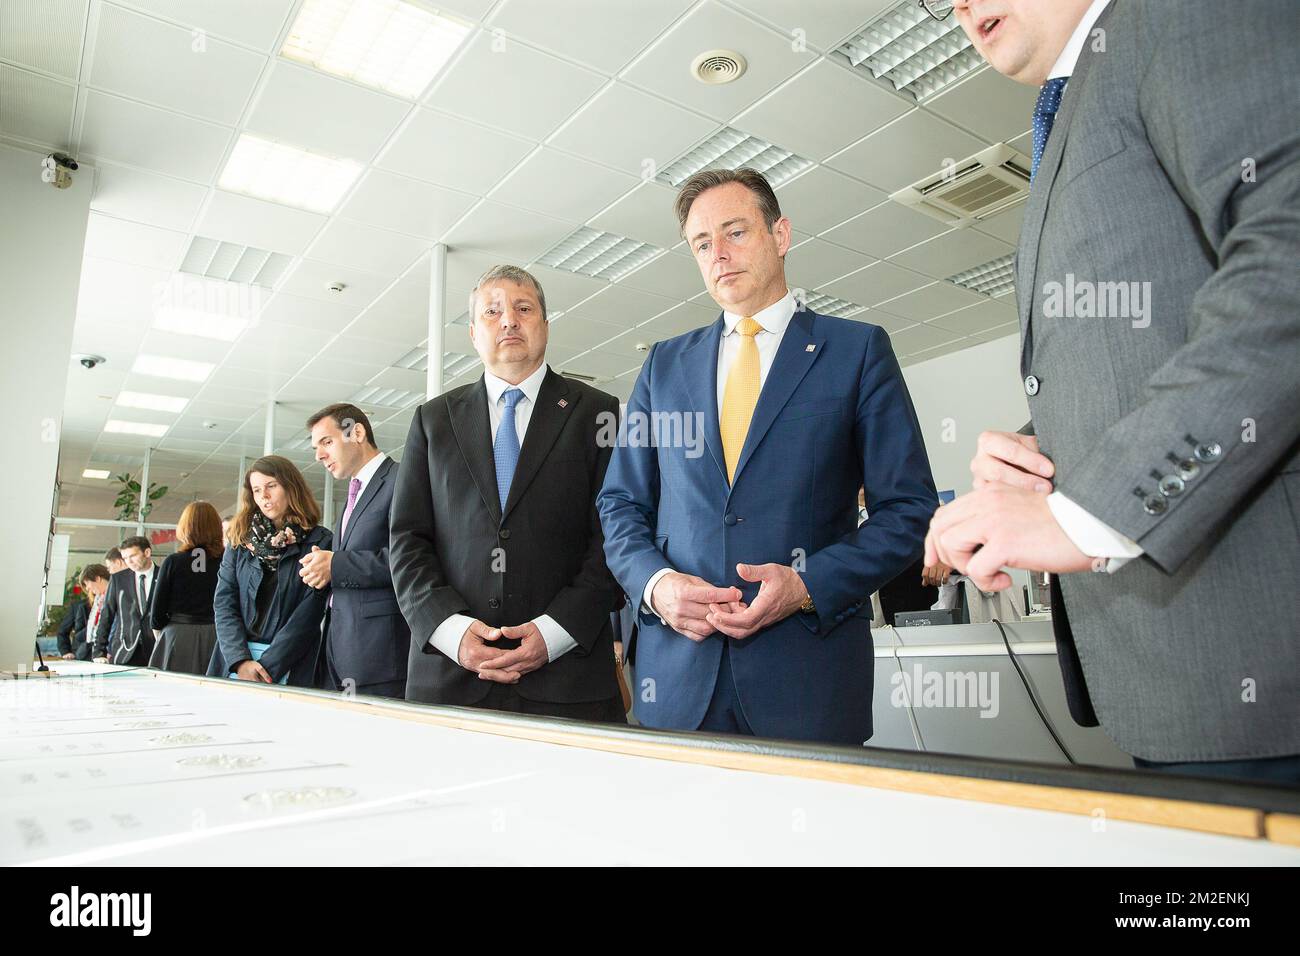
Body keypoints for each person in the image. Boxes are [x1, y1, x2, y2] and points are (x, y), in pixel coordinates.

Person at [926, 0, 1300, 781]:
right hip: (1173, 686)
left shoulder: (1178, 18)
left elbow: (1284, 259)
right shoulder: (1075, 102)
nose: (959, 4)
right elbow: (1156, 342)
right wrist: (1040, 448)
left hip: (1263, 657)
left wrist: (1093, 509)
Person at [597, 168, 936, 745]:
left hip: (808, 676)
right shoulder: (664, 365)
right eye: (702, 244)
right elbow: (620, 504)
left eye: (735, 232)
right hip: (679, 679)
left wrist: (808, 585)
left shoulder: (855, 352)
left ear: (780, 235)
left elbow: (907, 510)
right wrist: (656, 585)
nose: (719, 255)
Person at [390, 264, 625, 721]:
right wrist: (452, 632)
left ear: (545, 325)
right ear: (474, 333)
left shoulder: (598, 412)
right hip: (449, 680)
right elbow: (407, 541)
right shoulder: (433, 420)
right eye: (492, 312)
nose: (509, 321)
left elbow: (614, 537)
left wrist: (553, 632)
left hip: (569, 681)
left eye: (523, 308)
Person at [302, 402, 409, 699]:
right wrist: (321, 570)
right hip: (340, 649)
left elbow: (409, 559)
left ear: (357, 432)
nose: (319, 454)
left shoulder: (401, 480)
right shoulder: (354, 492)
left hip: (380, 654)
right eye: (316, 447)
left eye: (326, 442)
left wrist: (336, 565)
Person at [208, 456, 331, 686]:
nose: (263, 496)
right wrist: (240, 661)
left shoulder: (320, 540)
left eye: (271, 486)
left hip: (291, 663)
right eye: (256, 490)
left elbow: (309, 613)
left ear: (290, 487)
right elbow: (224, 603)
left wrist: (269, 667)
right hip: (235, 662)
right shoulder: (240, 541)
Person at [149, 501, 222, 674]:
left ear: (185, 527)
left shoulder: (173, 561)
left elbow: (157, 611)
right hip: (217, 636)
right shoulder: (227, 561)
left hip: (178, 636)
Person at [92, 535, 158, 665]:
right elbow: (107, 615)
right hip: (125, 650)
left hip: (157, 650)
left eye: (133, 556)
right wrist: (99, 651)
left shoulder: (164, 576)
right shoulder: (118, 579)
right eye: (125, 558)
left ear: (147, 552)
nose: (129, 561)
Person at [57, 565, 108, 661]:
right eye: (85, 586)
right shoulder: (80, 606)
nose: (88, 589)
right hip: (84, 653)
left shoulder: (108, 599)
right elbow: (66, 632)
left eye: (87, 584)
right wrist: (66, 651)